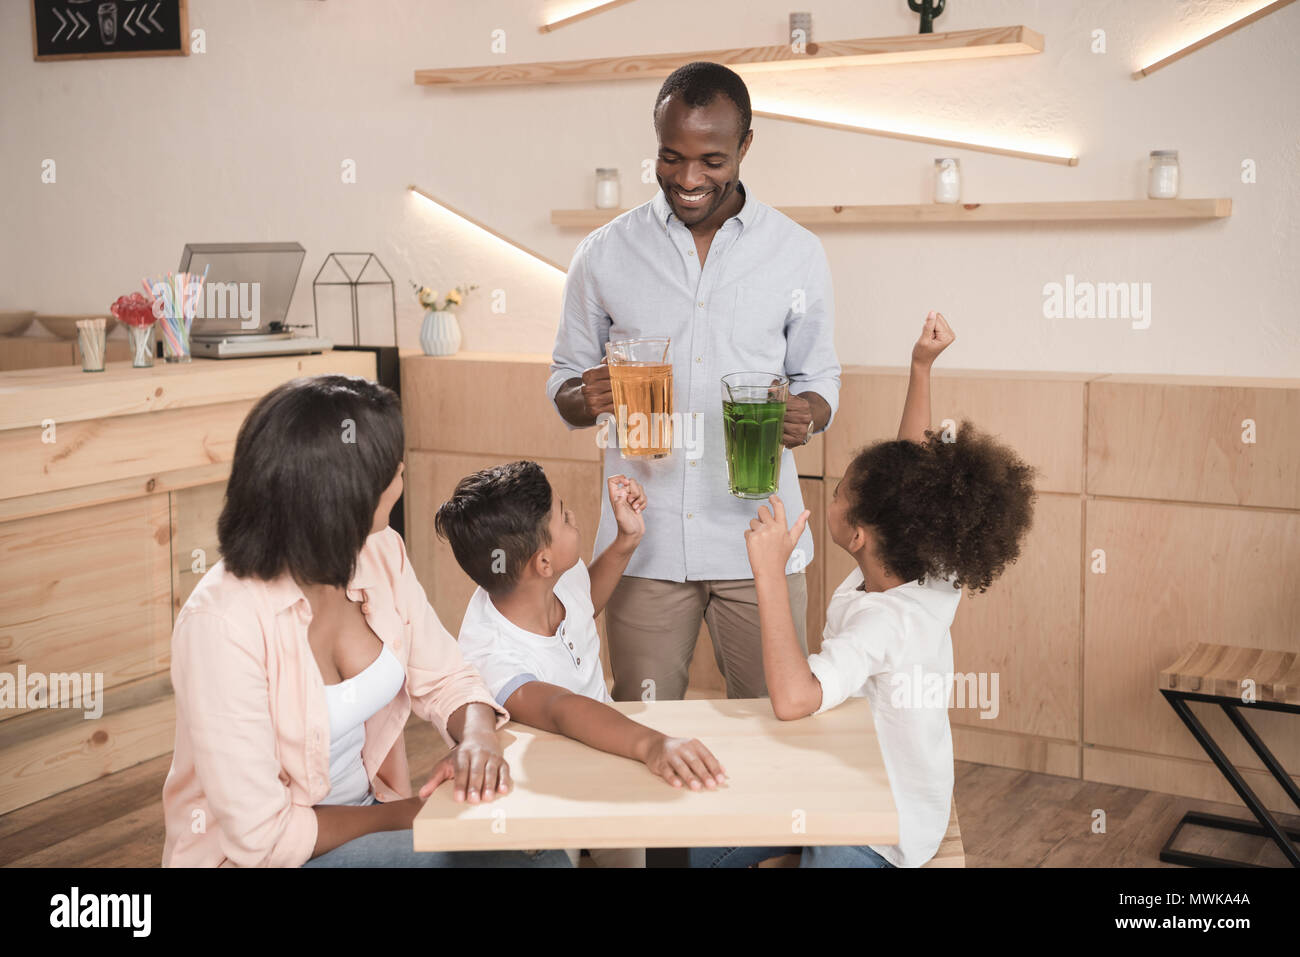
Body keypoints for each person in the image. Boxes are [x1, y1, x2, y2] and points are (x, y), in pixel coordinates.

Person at [161, 374, 569, 867]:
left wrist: (479, 739)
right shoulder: (221, 624)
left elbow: (447, 677)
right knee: (496, 862)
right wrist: (413, 815)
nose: (402, 472)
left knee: (538, 845)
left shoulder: (379, 553)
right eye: (390, 469)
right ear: (344, 496)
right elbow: (262, 837)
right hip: (273, 855)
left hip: (369, 812)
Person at [692, 313, 1037, 867]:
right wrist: (920, 368)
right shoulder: (927, 573)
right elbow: (912, 476)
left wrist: (769, 572)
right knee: (704, 846)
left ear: (857, 535)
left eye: (839, 493)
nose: (830, 493)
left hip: (880, 829)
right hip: (848, 782)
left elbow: (794, 698)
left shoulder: (882, 625)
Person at [547, 61, 841, 702]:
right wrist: (583, 397)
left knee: (775, 724)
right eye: (670, 157)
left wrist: (808, 413)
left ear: (745, 146)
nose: (688, 178)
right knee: (644, 728)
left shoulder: (796, 252)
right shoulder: (605, 253)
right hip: (644, 549)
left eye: (711, 159)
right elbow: (564, 384)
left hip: (759, 540)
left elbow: (819, 379)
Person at [435, 461, 728, 867]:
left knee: (642, 845)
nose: (575, 519)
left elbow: (583, 601)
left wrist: (627, 539)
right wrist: (653, 743)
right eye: (564, 515)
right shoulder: (490, 653)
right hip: (546, 787)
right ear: (542, 563)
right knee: (551, 854)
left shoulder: (553, 576)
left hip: (605, 752)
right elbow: (561, 710)